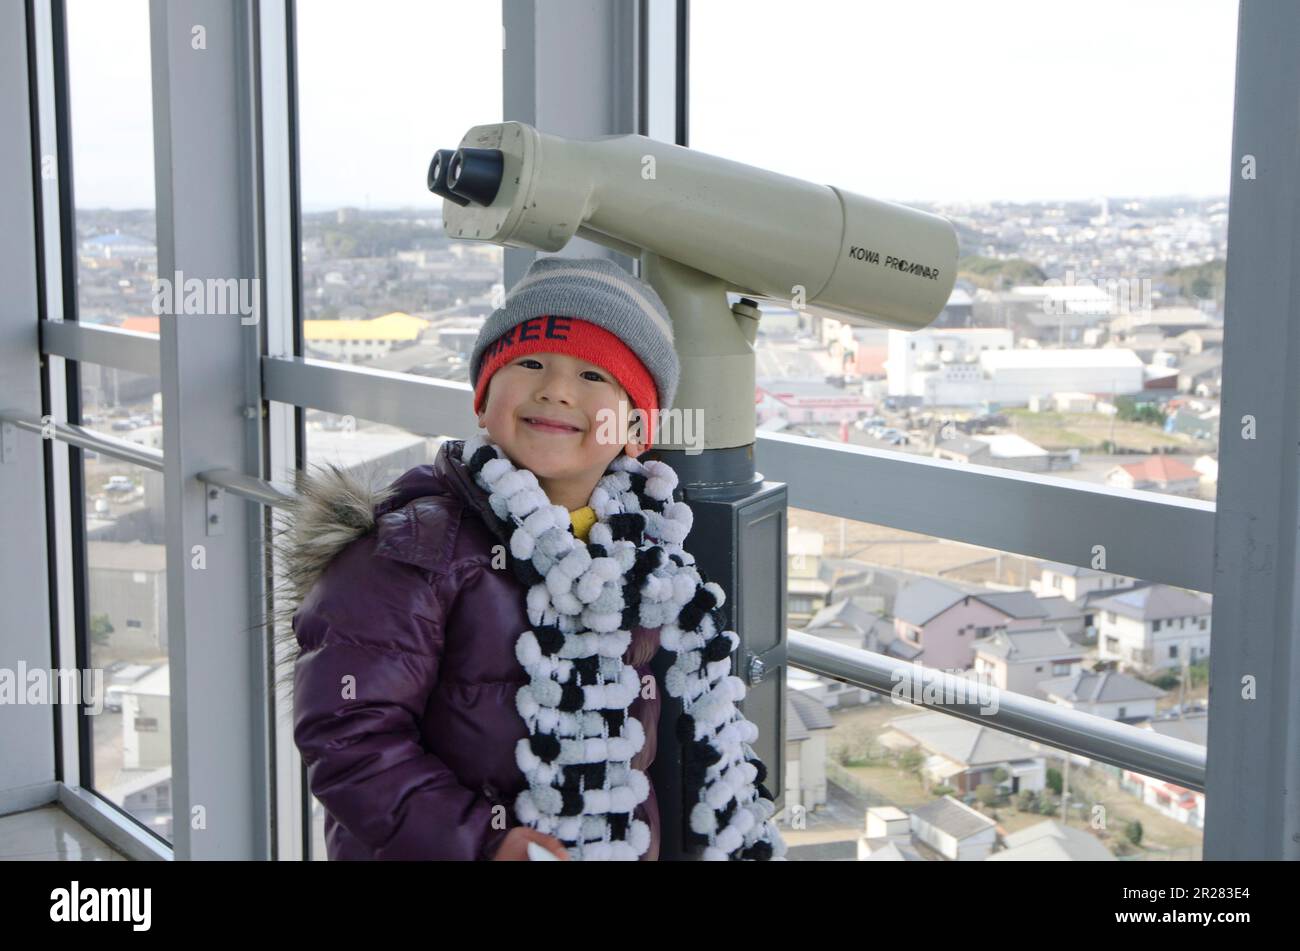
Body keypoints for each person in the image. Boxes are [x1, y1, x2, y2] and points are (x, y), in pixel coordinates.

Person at [272, 255, 784, 861]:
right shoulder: (412, 551)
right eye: (531, 362)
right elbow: (349, 734)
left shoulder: (644, 557)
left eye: (596, 375)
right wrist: (482, 843)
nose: (557, 389)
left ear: (638, 430)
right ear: (483, 403)